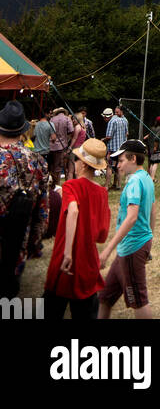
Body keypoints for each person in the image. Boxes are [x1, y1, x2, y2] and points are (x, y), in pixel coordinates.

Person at [43, 138, 111, 321]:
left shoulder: (71, 186)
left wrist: (67, 253)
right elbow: (102, 234)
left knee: (51, 309)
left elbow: (73, 210)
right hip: (88, 262)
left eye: (77, 159)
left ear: (82, 164)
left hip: (65, 258)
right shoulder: (103, 193)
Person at [98, 139, 155, 320]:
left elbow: (131, 217)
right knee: (105, 297)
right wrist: (149, 240)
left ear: (132, 158)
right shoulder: (146, 178)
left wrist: (107, 250)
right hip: (131, 247)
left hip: (132, 247)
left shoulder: (134, 183)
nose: (118, 165)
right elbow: (153, 210)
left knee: (139, 300)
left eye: (121, 160)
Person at [0, 99, 49, 298]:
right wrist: (34, 246)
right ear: (22, 131)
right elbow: (43, 214)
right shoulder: (38, 162)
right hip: (16, 248)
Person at [105, 107, 129, 192]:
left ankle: (106, 186)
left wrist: (102, 139)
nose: (115, 113)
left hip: (113, 149)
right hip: (121, 148)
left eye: (117, 112)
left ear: (121, 111)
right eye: (115, 112)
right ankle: (117, 185)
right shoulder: (125, 120)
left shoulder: (112, 121)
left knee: (110, 166)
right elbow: (127, 133)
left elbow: (109, 136)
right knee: (118, 167)